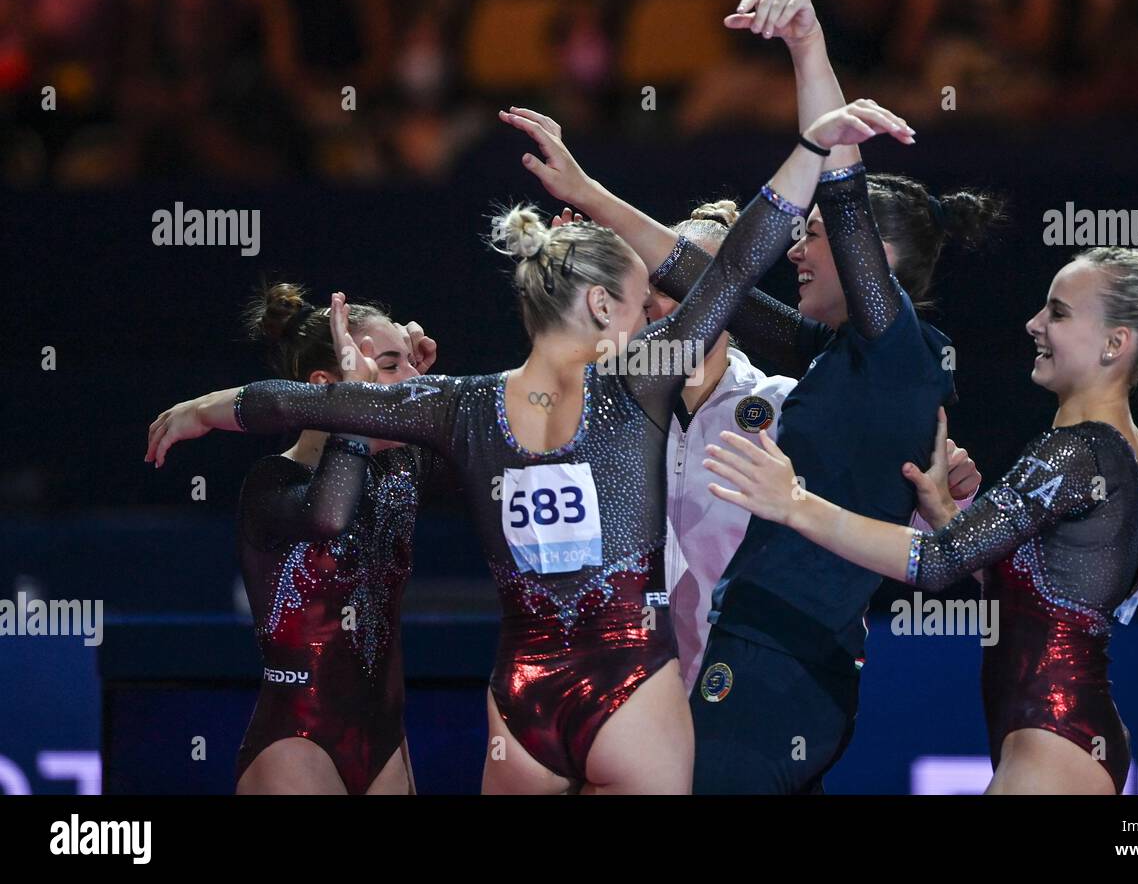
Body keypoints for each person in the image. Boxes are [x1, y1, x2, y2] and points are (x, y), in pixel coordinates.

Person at [146, 99, 898, 793]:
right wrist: (811, 147)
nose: (648, 325)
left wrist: (210, 408)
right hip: (630, 682)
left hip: (522, 700)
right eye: (641, 307)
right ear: (604, 305)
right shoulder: (638, 381)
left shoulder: (462, 404)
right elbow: (738, 267)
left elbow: (316, 400)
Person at [503, 0, 997, 793]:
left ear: (878, 265)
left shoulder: (897, 350)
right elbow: (713, 280)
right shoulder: (839, 354)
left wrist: (808, 44)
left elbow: (840, 192)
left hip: (785, 663)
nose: (797, 253)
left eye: (810, 240)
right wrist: (589, 194)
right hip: (763, 647)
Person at [706, 248, 1138, 793]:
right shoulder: (1115, 445)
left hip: (1052, 744)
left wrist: (794, 503)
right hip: (1064, 735)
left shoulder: (1077, 452)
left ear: (1114, 344)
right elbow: (1046, 588)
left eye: (1059, 313)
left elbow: (933, 563)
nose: (1034, 324)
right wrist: (948, 513)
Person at [234, 284, 440, 795]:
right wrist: (357, 408)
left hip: (384, 739)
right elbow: (328, 515)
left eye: (408, 365)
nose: (410, 381)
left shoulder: (399, 467)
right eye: (390, 366)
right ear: (325, 383)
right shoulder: (271, 482)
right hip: (297, 742)